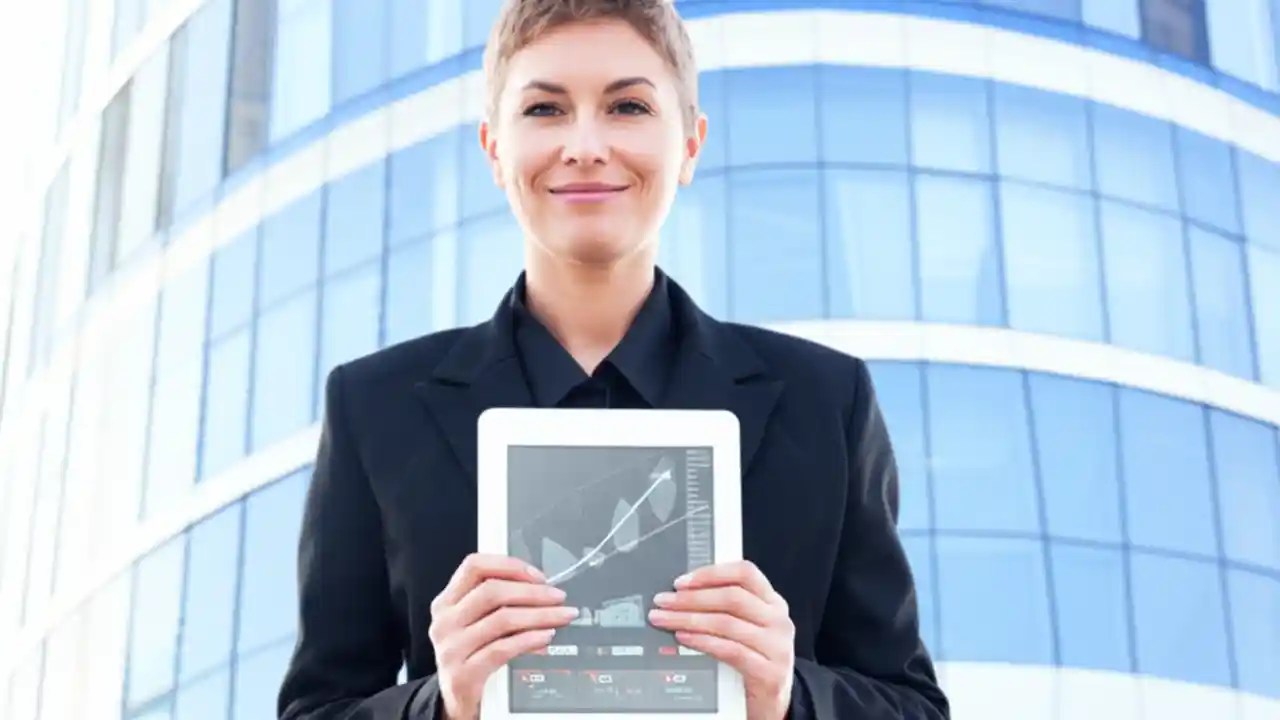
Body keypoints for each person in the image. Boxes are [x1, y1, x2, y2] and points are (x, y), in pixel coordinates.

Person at [277, 1, 949, 718]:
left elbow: (911, 706)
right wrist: (444, 704)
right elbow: (318, 708)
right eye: (544, 109)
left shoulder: (826, 401)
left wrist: (789, 695)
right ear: (494, 150)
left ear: (690, 144)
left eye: (627, 105)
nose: (586, 145)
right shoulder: (376, 407)